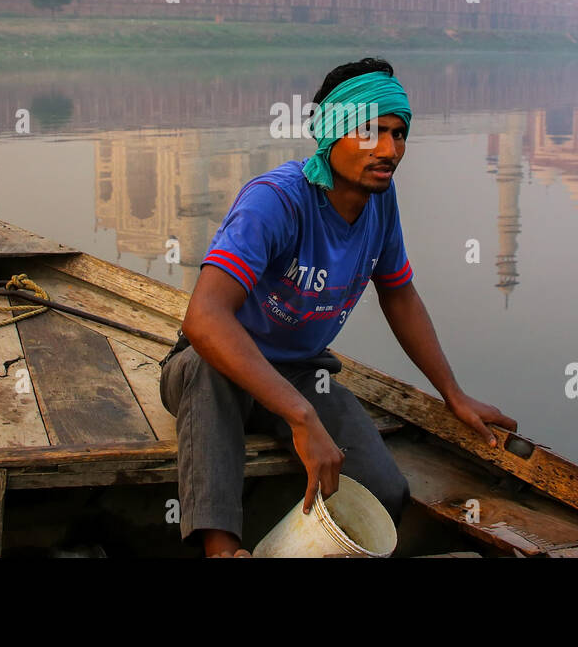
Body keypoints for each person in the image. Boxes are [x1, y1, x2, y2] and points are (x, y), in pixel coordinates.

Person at [159, 57, 516, 557]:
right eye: (371, 132)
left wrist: (453, 394)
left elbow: (399, 294)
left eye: (398, 134)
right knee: (205, 367)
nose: (389, 150)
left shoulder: (380, 203)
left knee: (384, 492)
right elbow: (204, 319)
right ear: (331, 134)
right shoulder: (276, 201)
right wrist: (302, 419)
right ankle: (222, 549)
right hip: (217, 369)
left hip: (303, 373)